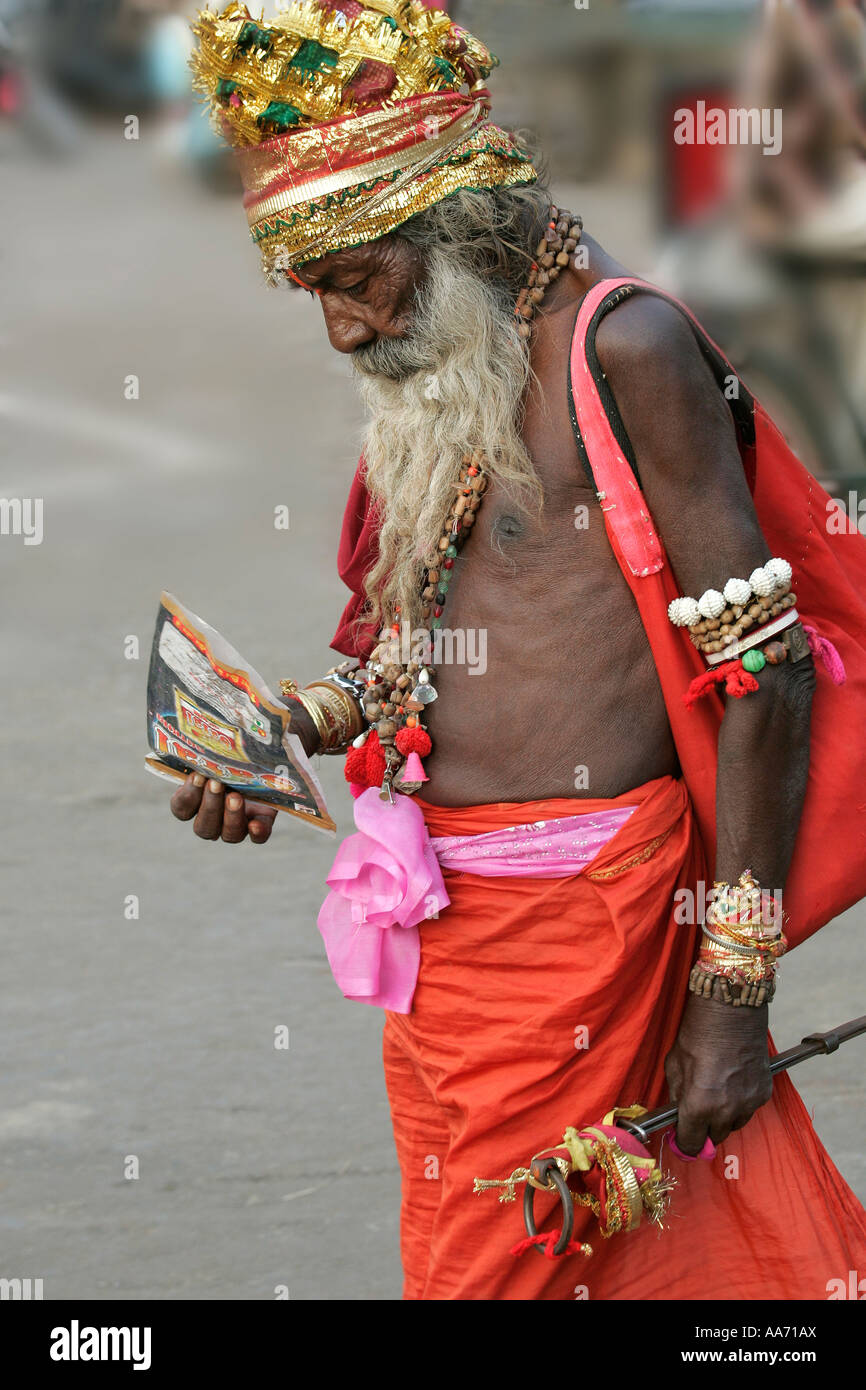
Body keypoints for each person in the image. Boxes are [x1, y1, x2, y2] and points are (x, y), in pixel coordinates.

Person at [171, 0, 866, 1299]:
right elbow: (442, 629)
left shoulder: (629, 347)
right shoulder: (456, 360)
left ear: (450, 222)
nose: (340, 330)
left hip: (587, 920)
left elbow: (762, 675)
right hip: (444, 937)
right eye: (312, 289)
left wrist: (731, 989)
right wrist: (295, 726)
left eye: (356, 279)